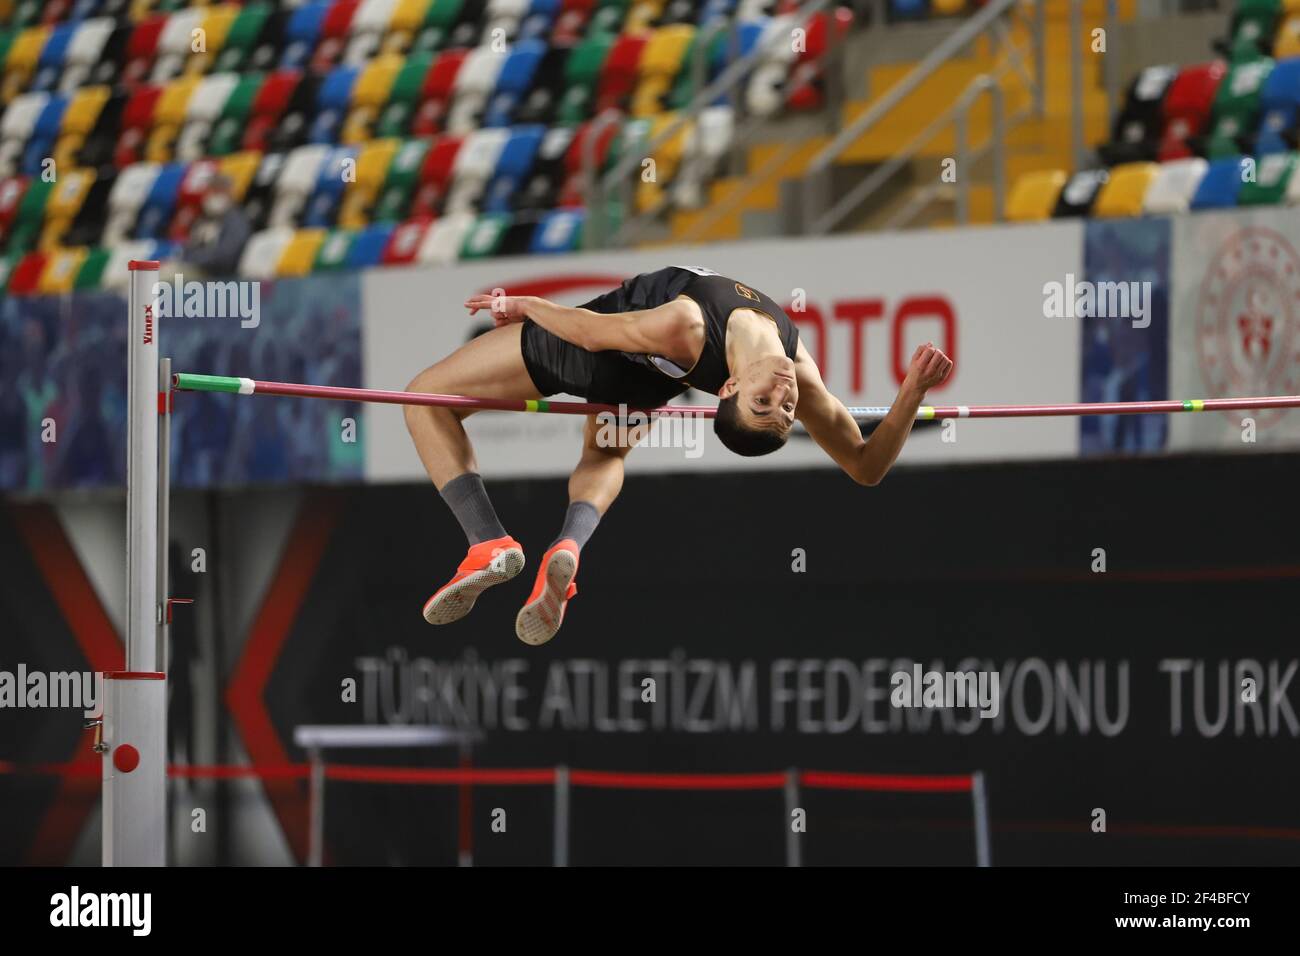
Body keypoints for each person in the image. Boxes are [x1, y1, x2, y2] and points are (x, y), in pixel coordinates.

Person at [404, 265, 953, 645]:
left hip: (596, 353)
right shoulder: (797, 372)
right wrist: (913, 390)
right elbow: (865, 464)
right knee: (605, 457)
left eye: (768, 404)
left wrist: (527, 306)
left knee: (425, 397)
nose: (786, 398)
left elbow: (596, 334)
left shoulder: (688, 325)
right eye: (784, 409)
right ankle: (566, 549)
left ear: (730, 388)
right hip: (645, 384)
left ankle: (487, 542)